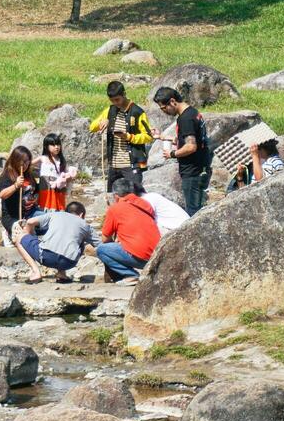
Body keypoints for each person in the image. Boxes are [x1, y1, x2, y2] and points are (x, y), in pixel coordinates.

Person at [152, 86, 212, 216]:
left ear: (172, 101)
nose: (164, 112)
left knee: (193, 212)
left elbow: (191, 146)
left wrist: (172, 154)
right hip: (201, 168)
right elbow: (189, 138)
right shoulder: (193, 112)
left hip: (192, 172)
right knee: (198, 208)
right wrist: (163, 137)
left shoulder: (185, 119)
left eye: (164, 108)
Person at [89, 81, 153, 191]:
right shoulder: (110, 111)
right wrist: (103, 121)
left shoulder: (137, 112)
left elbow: (148, 136)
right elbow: (92, 127)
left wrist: (129, 137)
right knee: (113, 197)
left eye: (117, 99)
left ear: (124, 94)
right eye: (112, 100)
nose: (115, 103)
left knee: (135, 197)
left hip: (131, 165)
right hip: (114, 165)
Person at [97, 177, 159, 284]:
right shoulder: (146, 204)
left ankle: (130, 275)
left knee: (102, 249)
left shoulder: (115, 208)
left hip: (141, 258)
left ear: (116, 196)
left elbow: (105, 238)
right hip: (157, 255)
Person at [16, 201, 96, 284]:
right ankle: (62, 274)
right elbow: (100, 245)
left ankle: (36, 273)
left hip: (45, 258)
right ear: (81, 215)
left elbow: (29, 222)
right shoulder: (85, 225)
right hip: (69, 262)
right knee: (79, 240)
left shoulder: (56, 214)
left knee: (19, 238)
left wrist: (30, 235)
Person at [0, 145, 40, 244]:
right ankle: (8, 233)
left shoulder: (28, 175)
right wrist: (16, 185)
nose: (25, 164)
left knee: (47, 222)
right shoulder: (6, 176)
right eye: (23, 161)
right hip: (12, 215)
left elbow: (36, 190)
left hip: (30, 212)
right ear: (15, 160)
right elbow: (2, 194)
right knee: (23, 236)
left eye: (28, 161)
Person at [36, 134, 75, 212]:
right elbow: (29, 164)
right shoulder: (43, 158)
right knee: (45, 208)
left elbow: (67, 174)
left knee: (57, 209)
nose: (56, 147)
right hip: (46, 189)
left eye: (58, 144)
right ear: (46, 146)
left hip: (58, 191)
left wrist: (69, 177)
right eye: (53, 145)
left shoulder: (61, 161)